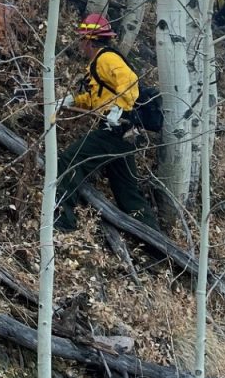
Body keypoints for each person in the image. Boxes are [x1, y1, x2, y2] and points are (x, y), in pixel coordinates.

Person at [54, 13, 159, 231]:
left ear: (89, 40)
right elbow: (97, 98)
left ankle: (63, 220)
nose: (80, 44)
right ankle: (154, 239)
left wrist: (120, 109)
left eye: (82, 39)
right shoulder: (99, 62)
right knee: (127, 191)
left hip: (115, 128)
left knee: (70, 160)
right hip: (124, 133)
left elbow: (130, 83)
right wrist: (72, 100)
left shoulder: (106, 58)